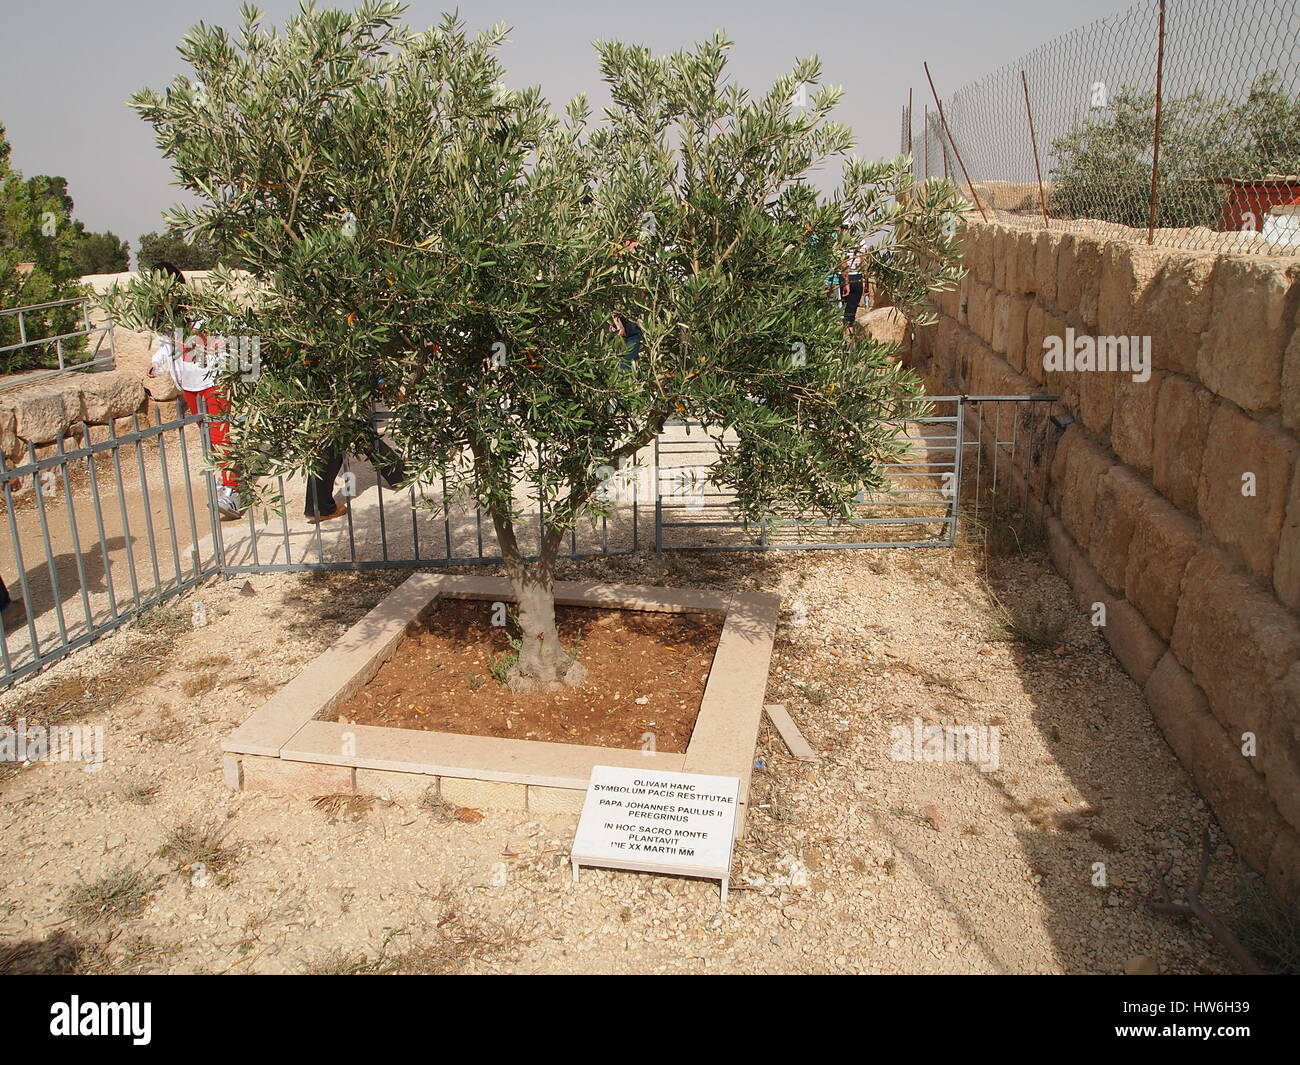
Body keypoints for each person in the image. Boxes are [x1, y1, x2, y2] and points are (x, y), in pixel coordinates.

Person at [146, 262, 243, 520]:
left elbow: (226, 331)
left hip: (214, 380)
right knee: (208, 438)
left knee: (220, 436)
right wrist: (158, 362)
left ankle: (231, 493)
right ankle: (226, 483)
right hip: (189, 384)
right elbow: (168, 344)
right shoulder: (166, 316)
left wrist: (230, 364)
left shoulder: (200, 309)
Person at [840, 233, 869, 337]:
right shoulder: (861, 241)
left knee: (845, 309)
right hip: (857, 277)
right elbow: (864, 262)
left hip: (847, 277)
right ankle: (849, 335)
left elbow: (843, 263)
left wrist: (846, 282)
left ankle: (847, 337)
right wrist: (866, 283)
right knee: (851, 310)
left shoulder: (842, 240)